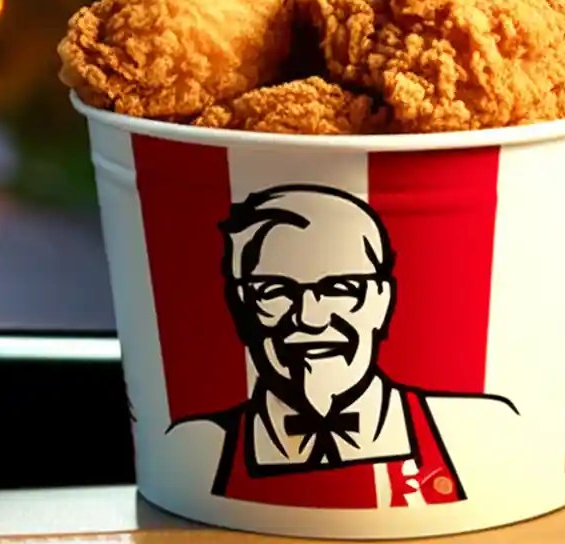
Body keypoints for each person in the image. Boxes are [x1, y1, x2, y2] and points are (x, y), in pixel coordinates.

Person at [167, 184, 519, 508]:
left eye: (341, 289)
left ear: (382, 301)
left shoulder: (476, 426)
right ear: (242, 307)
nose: (311, 318)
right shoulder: (200, 448)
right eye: (275, 292)